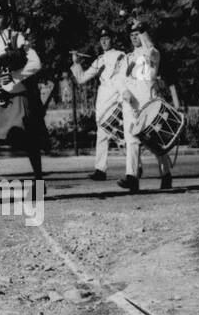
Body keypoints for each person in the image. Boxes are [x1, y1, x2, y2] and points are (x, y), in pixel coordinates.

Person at [0, 0, 43, 186]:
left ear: (7, 18)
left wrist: (15, 77)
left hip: (16, 95)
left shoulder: (18, 37)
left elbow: (36, 63)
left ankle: (39, 180)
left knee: (29, 141)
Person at [118, 18, 176, 192]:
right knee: (131, 141)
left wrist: (143, 30)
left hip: (148, 101)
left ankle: (166, 175)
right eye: (132, 35)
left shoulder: (152, 54)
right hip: (131, 105)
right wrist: (124, 92)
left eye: (138, 34)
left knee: (155, 141)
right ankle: (132, 178)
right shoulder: (127, 58)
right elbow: (120, 79)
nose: (135, 37)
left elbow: (150, 48)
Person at [70, 27, 127, 181]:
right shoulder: (99, 60)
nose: (104, 41)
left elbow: (121, 78)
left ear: (112, 39)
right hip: (102, 101)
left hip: (116, 99)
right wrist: (76, 63)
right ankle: (100, 170)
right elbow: (82, 78)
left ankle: (135, 168)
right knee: (102, 135)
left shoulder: (120, 55)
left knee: (120, 135)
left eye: (107, 38)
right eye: (102, 39)